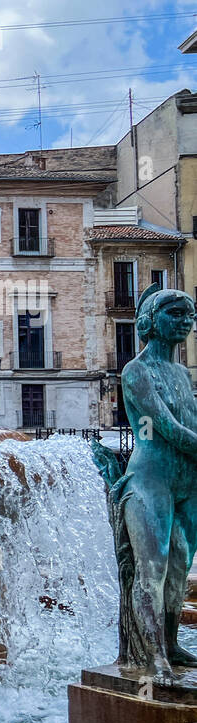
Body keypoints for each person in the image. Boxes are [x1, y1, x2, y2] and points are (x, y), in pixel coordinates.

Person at [111, 287, 197, 679]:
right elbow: (166, 427)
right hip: (149, 481)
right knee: (152, 568)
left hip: (188, 481)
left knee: (179, 566)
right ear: (149, 320)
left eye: (189, 315)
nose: (186, 321)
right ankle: (153, 654)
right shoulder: (136, 370)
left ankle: (173, 644)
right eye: (176, 313)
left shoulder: (181, 372)